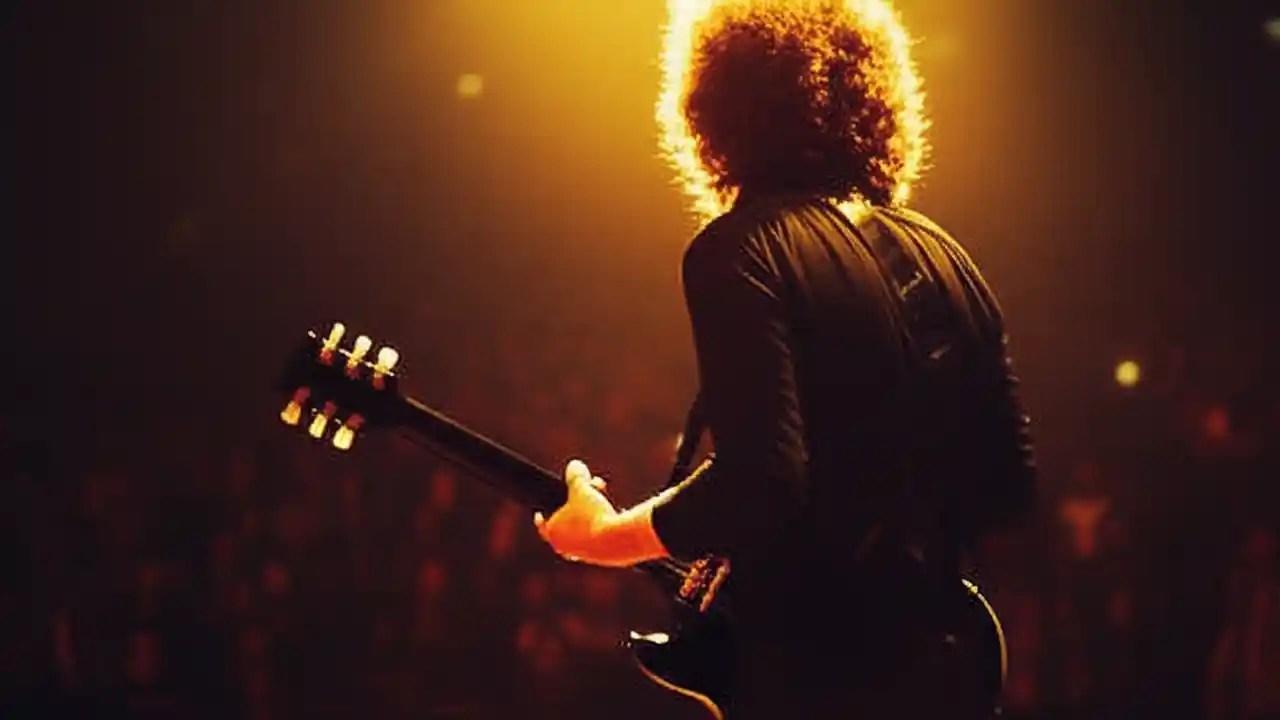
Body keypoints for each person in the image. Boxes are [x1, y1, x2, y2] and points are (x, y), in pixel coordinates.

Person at [534, 1, 1036, 717]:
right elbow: (1008, 487)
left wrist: (608, 538)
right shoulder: (945, 253)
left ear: (714, 103)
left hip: (818, 681)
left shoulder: (740, 248)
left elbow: (761, 479)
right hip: (949, 670)